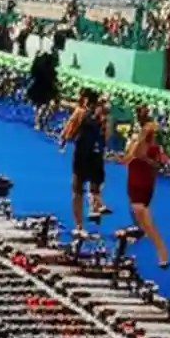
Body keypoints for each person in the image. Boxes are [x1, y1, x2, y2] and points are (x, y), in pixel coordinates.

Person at [59, 88, 111, 231]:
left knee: (77, 190)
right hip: (95, 154)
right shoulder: (101, 116)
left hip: (82, 153)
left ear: (86, 99)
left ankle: (79, 225)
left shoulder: (81, 112)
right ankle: (95, 207)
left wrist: (63, 139)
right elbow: (106, 137)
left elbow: (69, 129)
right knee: (94, 186)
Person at [124, 121, 170, 268]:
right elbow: (163, 164)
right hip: (144, 184)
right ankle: (140, 232)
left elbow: (128, 159)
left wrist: (145, 160)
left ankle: (161, 250)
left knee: (144, 217)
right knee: (140, 212)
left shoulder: (143, 146)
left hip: (139, 183)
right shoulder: (151, 147)